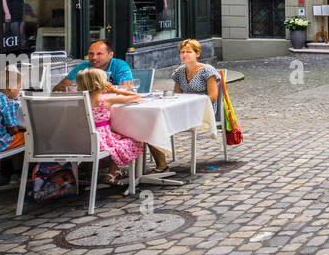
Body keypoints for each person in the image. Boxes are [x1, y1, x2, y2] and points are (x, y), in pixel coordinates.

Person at [55, 42, 169, 174]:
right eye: (91, 54)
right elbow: (59, 87)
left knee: (140, 123)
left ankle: (105, 165)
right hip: (104, 124)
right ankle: (113, 169)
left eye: (99, 54)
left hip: (80, 136)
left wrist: (89, 90)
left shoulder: (119, 65)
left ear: (110, 55)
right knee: (140, 127)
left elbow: (127, 86)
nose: (94, 58)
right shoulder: (84, 67)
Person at [76, 67, 143, 185]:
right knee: (131, 141)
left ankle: (100, 171)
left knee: (116, 143)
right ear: (100, 83)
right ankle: (112, 172)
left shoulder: (77, 100)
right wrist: (116, 91)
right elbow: (136, 97)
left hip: (80, 141)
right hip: (101, 140)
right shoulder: (105, 100)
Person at [172, 39, 221, 118]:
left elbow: (213, 96)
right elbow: (177, 94)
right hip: (185, 109)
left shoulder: (207, 70)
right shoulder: (179, 72)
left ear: (197, 54)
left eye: (188, 52)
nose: (184, 55)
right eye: (182, 52)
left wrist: (193, 104)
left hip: (204, 110)